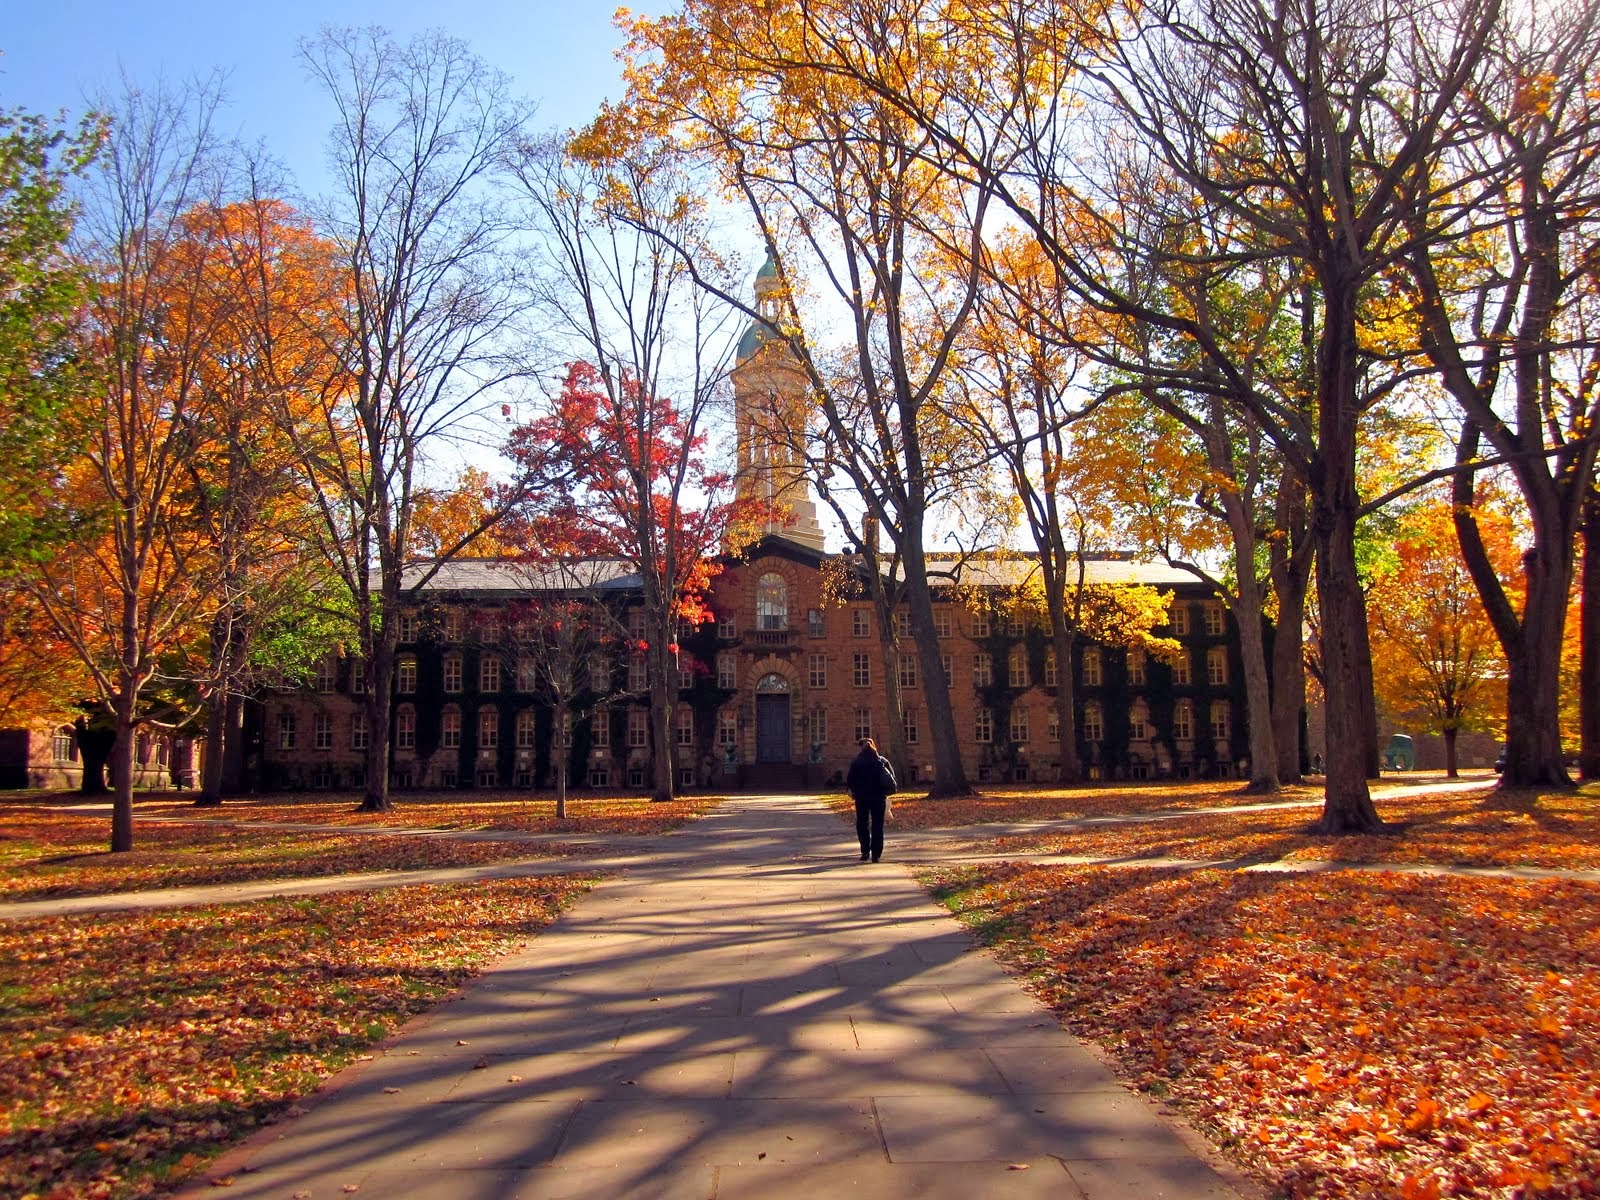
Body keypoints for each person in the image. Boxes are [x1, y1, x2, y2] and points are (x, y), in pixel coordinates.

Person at [846, 736, 896, 863]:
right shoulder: (882, 761)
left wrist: (854, 791)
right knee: (877, 825)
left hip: (862, 797)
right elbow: (891, 778)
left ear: (861, 748)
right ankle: (876, 854)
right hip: (878, 797)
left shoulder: (857, 762)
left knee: (862, 824)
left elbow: (850, 780)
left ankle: (865, 851)